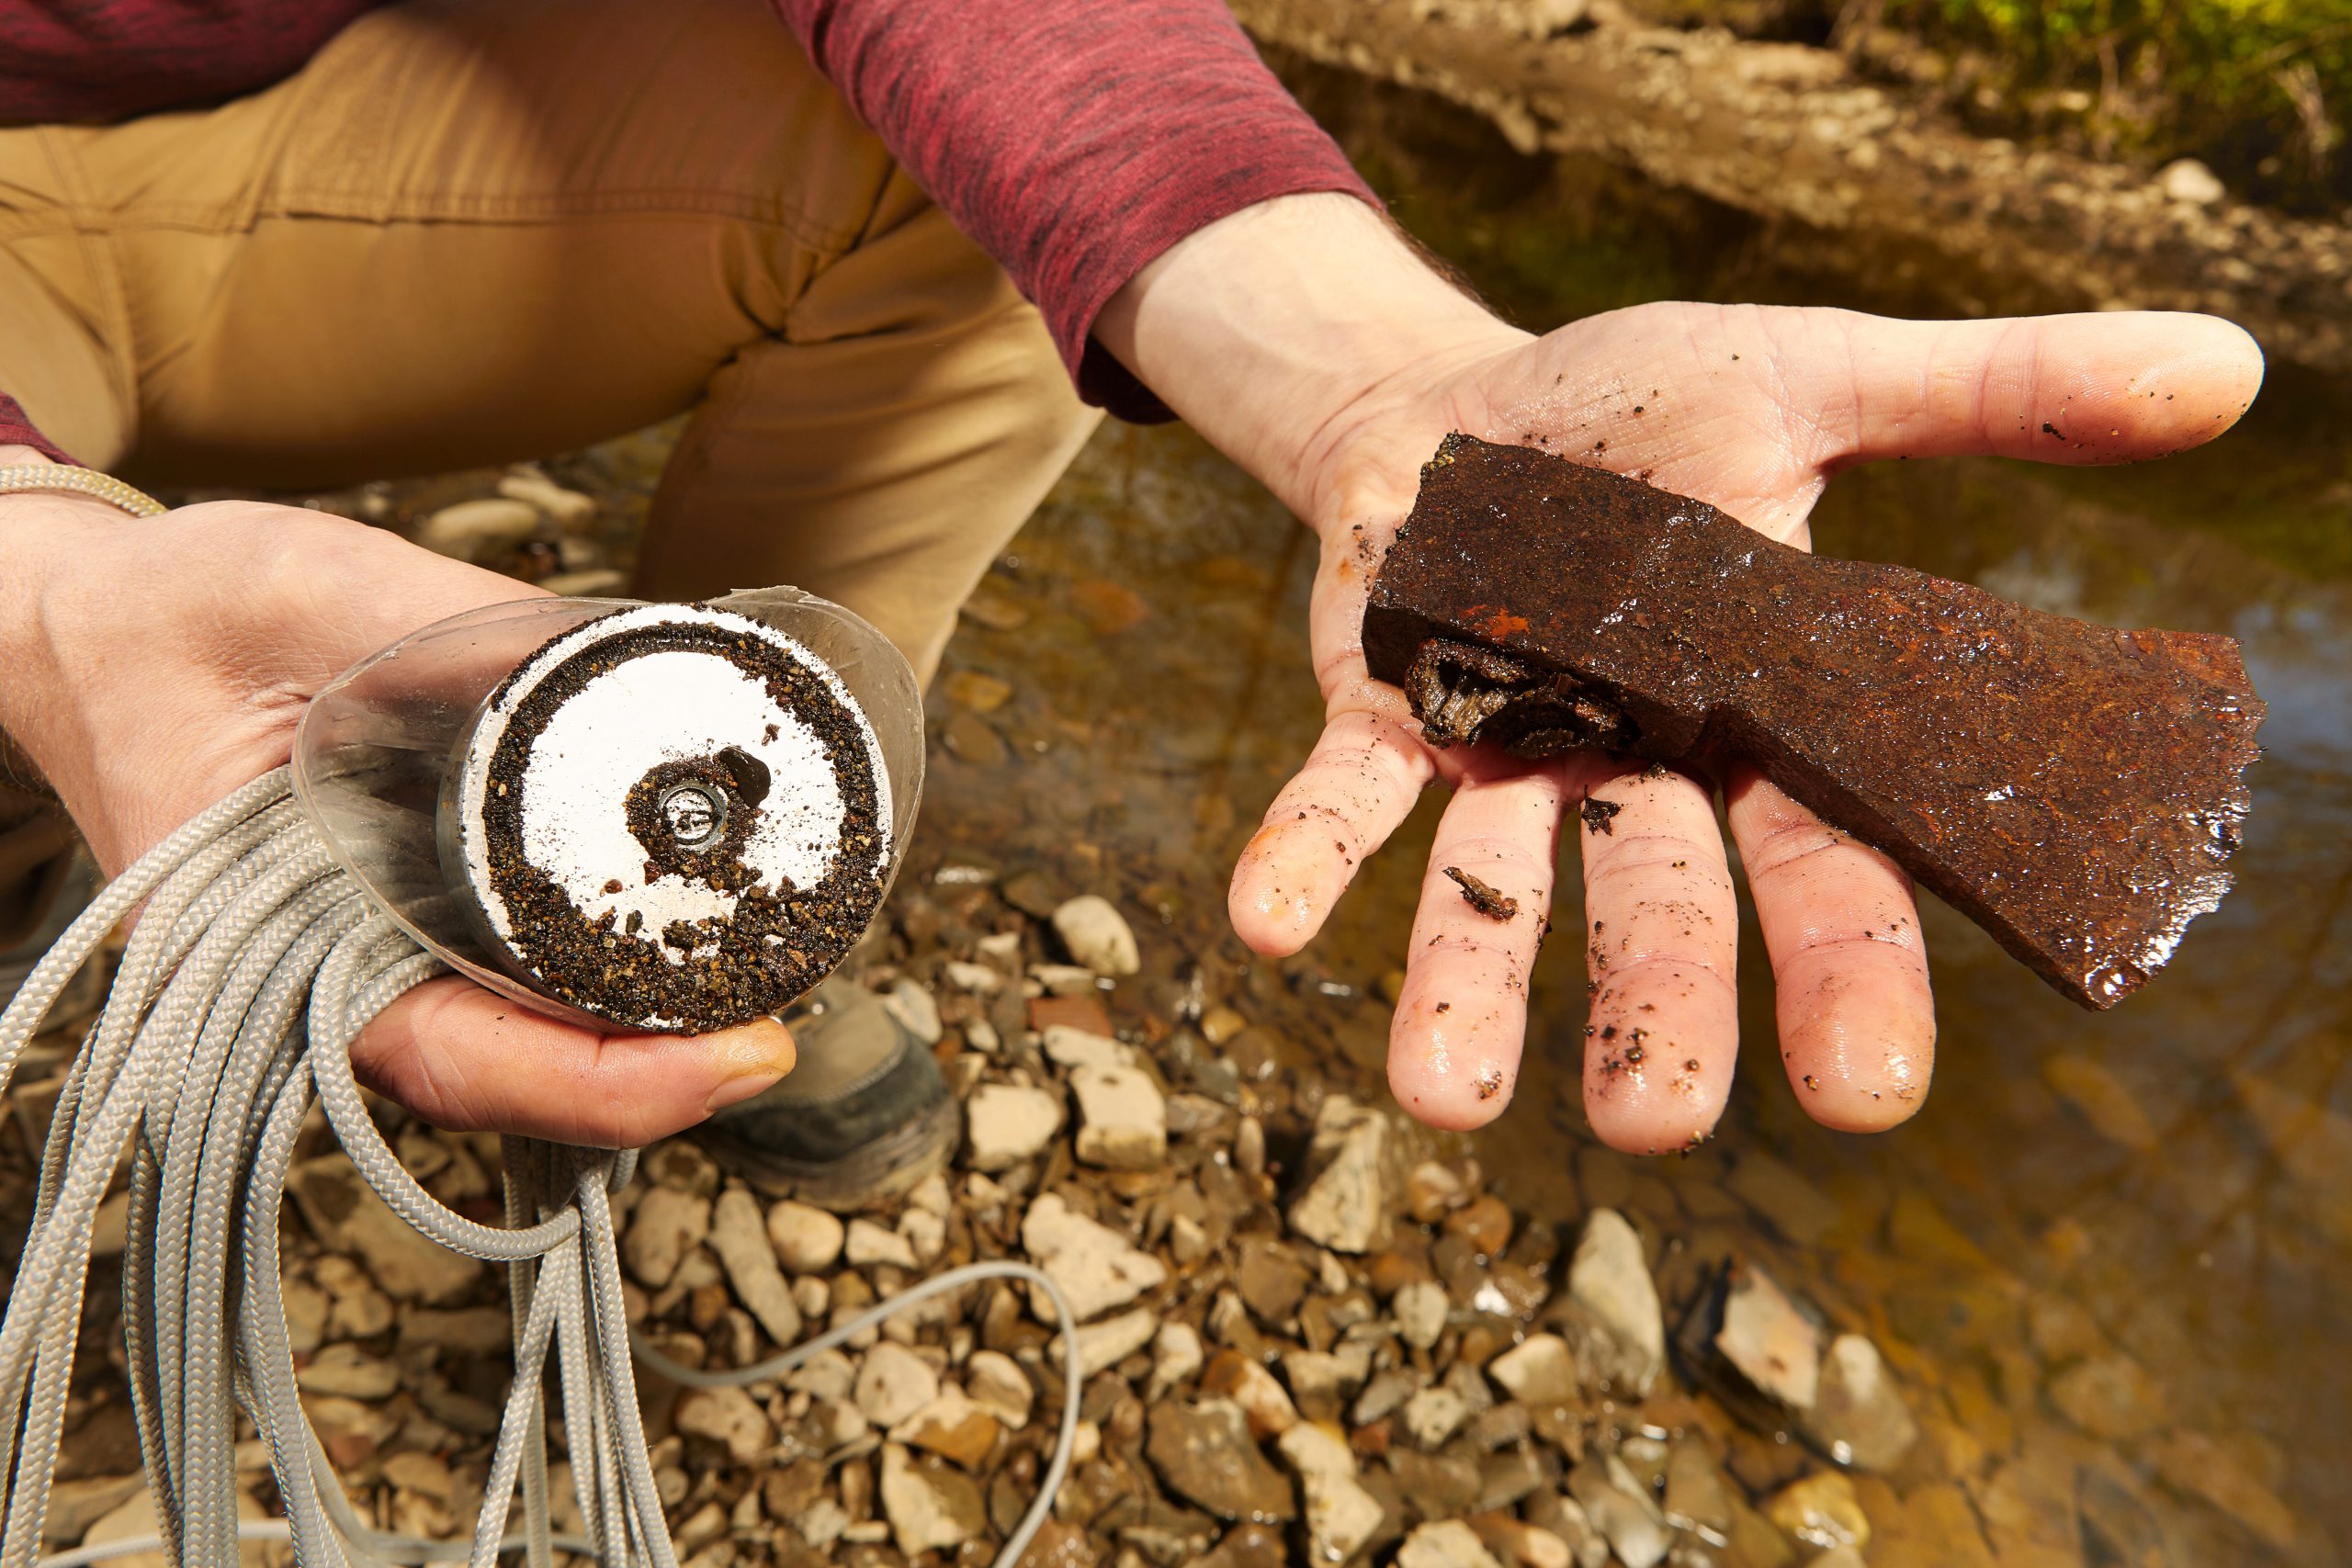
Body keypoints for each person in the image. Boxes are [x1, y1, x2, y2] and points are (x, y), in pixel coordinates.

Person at [0, 0, 2263, 1184]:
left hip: (306, 95)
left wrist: (1367, 369)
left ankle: (720, 861)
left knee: (993, 234)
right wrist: (46, 583)